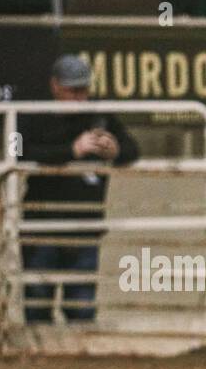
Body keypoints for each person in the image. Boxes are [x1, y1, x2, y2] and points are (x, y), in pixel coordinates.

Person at [18, 54, 140, 323]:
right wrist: (71, 150)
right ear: (55, 86)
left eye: (83, 89)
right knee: (37, 302)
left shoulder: (100, 113)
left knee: (82, 305)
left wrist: (115, 150)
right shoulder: (32, 112)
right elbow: (16, 151)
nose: (79, 97)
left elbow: (133, 149)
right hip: (42, 224)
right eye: (72, 90)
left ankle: (82, 361)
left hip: (85, 223)